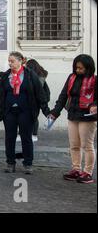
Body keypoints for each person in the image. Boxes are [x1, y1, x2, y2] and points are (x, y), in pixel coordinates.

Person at [0, 52, 50, 175]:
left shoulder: (30, 75)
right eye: (9, 61)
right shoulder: (6, 76)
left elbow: (40, 93)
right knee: (10, 138)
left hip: (26, 111)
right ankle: (10, 163)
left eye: (12, 61)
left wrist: (46, 111)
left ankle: (28, 163)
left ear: (20, 61)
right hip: (9, 112)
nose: (10, 63)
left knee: (26, 138)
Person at [48, 55, 97, 184]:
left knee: (87, 145)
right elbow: (63, 95)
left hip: (87, 117)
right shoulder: (71, 78)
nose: (78, 70)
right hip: (73, 115)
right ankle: (76, 169)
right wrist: (55, 112)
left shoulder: (95, 80)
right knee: (74, 145)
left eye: (81, 68)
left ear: (88, 68)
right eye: (76, 67)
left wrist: (94, 105)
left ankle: (87, 172)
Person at [25, 59, 50, 142]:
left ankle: (34, 134)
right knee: (30, 117)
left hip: (36, 100)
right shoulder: (39, 75)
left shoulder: (39, 77)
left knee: (34, 117)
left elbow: (37, 90)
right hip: (32, 99)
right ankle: (28, 133)